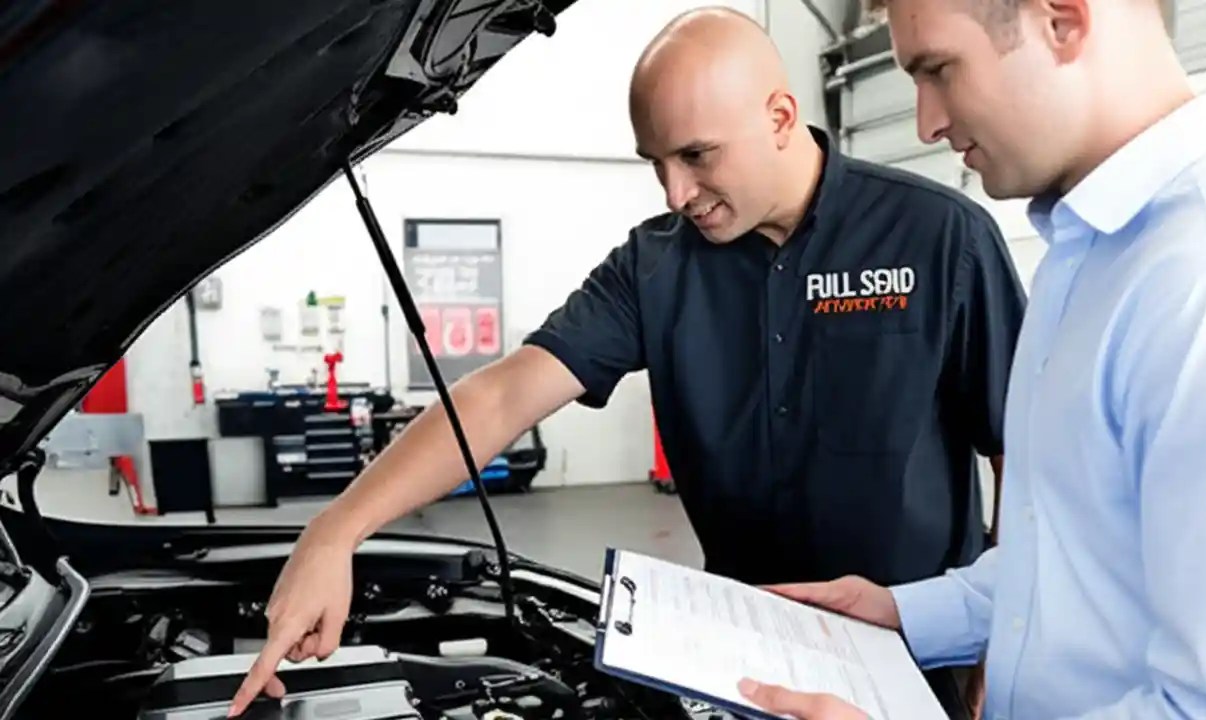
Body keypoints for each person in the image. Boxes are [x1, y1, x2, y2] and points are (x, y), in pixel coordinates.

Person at [227, 6, 1027, 717]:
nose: (675, 192)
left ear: (781, 117)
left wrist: (1003, 630)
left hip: (912, 662)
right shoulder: (656, 267)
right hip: (739, 666)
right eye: (656, 162)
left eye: (697, 156)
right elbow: (504, 396)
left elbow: (1021, 458)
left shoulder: (941, 241)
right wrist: (337, 530)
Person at [737, 0, 1206, 718]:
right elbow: (1073, 559)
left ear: (1062, 21)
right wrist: (902, 612)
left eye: (938, 70)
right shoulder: (1090, 248)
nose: (926, 123)